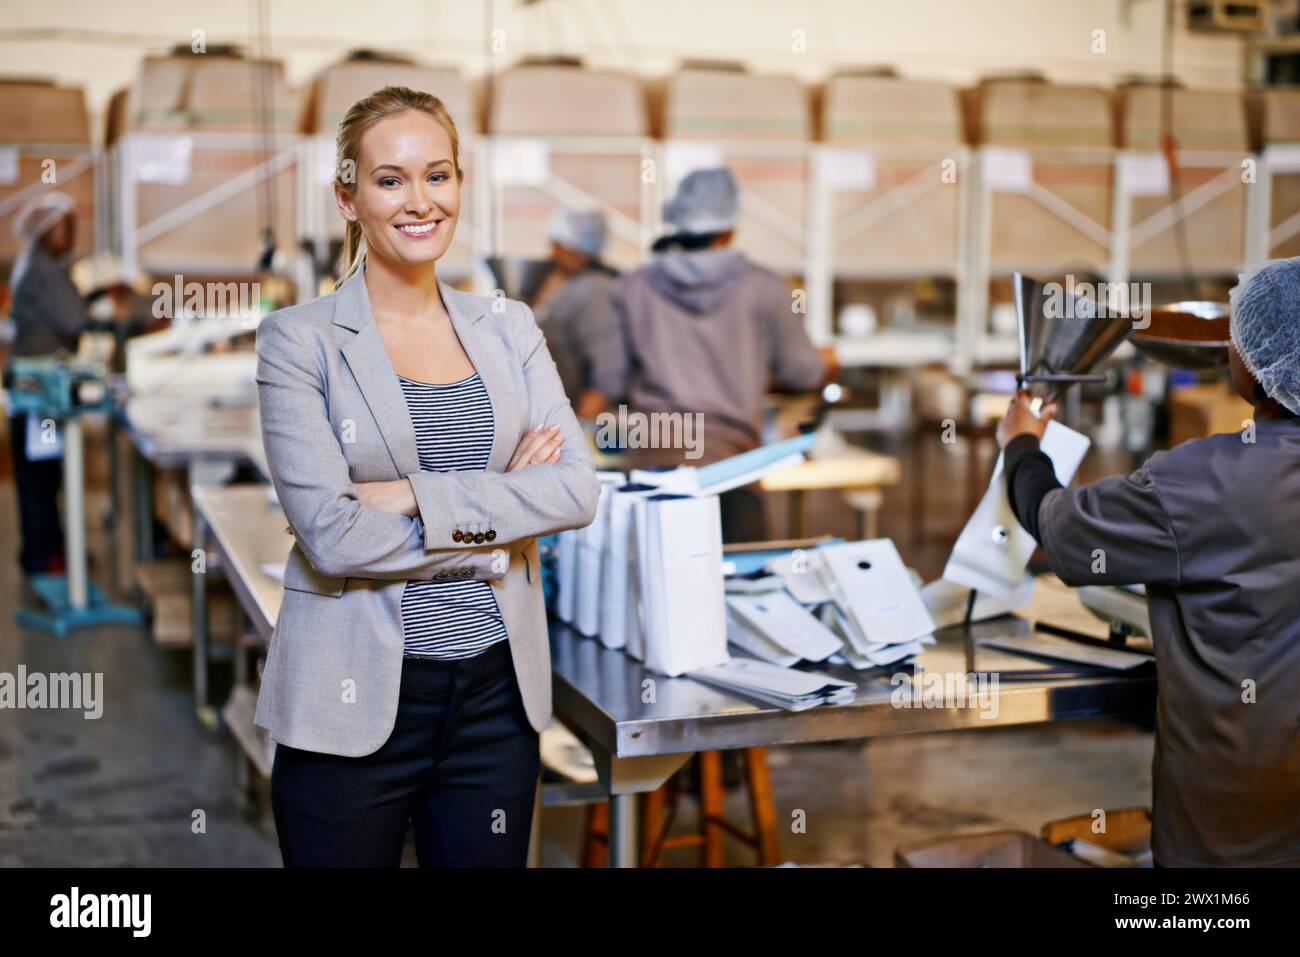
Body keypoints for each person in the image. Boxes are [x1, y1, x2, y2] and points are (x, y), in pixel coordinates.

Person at [253, 85, 599, 867]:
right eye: (390, 179)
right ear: (348, 196)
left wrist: (410, 493)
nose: (420, 201)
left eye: (438, 176)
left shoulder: (508, 327)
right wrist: (494, 533)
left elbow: (575, 489)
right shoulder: (298, 342)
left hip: (494, 700)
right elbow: (335, 538)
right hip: (351, 700)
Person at [996, 256, 1300, 868]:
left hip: (1230, 831)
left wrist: (1021, 443)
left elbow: (1060, 529)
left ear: (1253, 365)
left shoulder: (1206, 481)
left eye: (1237, 337)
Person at [590, 167, 837, 542]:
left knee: (652, 592)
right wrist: (827, 362)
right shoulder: (765, 287)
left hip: (650, 468)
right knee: (734, 590)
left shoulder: (630, 288)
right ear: (730, 227)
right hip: (731, 471)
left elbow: (611, 380)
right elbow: (802, 372)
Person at [6, 192, 87, 576]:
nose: (71, 237)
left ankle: (43, 551)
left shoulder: (30, 263)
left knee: (37, 473)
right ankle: (45, 555)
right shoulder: (46, 269)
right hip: (40, 389)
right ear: (49, 231)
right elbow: (74, 320)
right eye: (65, 229)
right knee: (42, 473)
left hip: (29, 383)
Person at [531, 208, 619, 418]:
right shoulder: (570, 285)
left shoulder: (595, 289)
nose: (552, 253)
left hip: (582, 409)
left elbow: (608, 356)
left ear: (574, 250)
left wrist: (585, 421)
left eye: (557, 245)